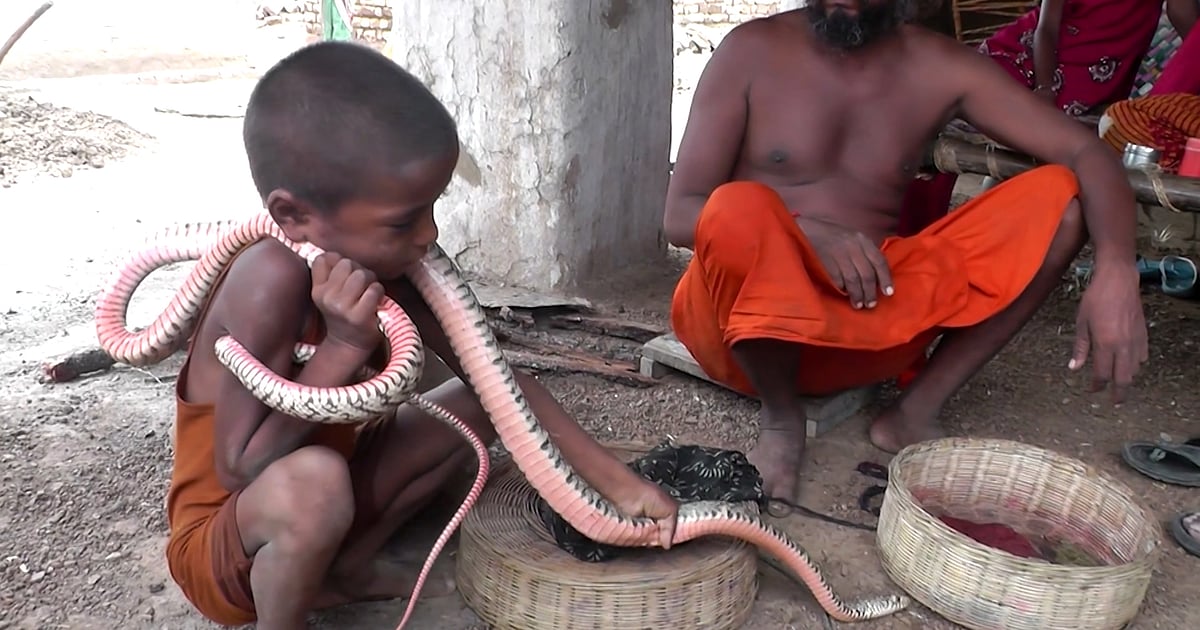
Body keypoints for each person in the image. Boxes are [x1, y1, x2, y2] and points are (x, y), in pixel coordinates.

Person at [165, 41, 678, 629]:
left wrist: (623, 489)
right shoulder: (269, 278)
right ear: (294, 216)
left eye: (433, 208)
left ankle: (347, 568)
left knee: (478, 408)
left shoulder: (385, 264)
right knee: (316, 483)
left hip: (327, 491)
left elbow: (502, 388)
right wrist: (345, 347)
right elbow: (240, 468)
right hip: (226, 543)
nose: (428, 234)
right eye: (404, 221)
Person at [663, 0, 1149, 500]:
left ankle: (914, 411)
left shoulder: (941, 66)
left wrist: (1116, 268)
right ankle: (782, 422)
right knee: (738, 206)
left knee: (1060, 203)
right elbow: (680, 215)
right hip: (736, 336)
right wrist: (802, 232)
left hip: (863, 325)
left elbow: (1085, 151)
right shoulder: (751, 49)